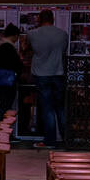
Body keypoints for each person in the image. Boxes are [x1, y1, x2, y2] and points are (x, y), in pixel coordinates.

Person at [27, 9, 68, 149]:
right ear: (53, 19)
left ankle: (50, 141)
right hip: (58, 73)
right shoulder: (63, 35)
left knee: (47, 108)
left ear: (39, 19)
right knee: (60, 108)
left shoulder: (32, 34)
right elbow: (63, 52)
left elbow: (29, 50)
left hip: (41, 74)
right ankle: (66, 138)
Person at [0, 24, 23, 122]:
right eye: (18, 36)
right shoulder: (8, 47)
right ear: (14, 35)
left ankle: (2, 134)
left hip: (3, 78)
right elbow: (14, 64)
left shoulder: (1, 45)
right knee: (5, 106)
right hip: (8, 79)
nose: (18, 39)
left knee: (5, 106)